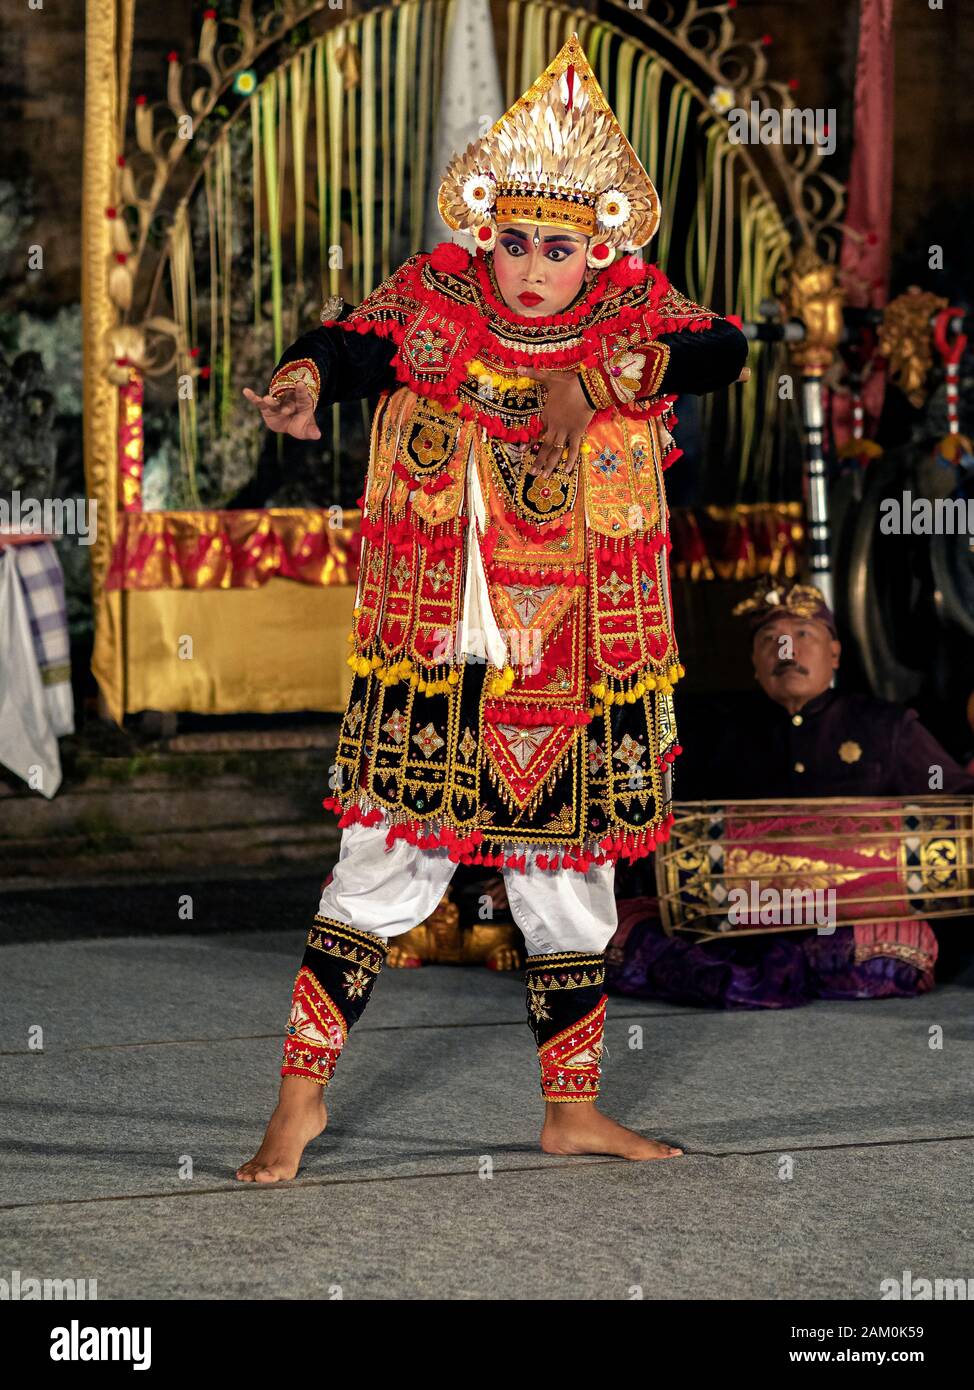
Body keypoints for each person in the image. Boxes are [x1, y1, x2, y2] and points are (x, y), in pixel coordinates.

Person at [236, 34, 748, 1181]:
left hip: (577, 651)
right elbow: (351, 342)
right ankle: (298, 1103)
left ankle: (570, 1110)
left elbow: (720, 346)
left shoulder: (629, 311)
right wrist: (306, 379)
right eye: (512, 240)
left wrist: (603, 378)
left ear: (598, 245)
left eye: (556, 248)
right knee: (379, 867)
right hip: (443, 648)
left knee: (568, 881)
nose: (527, 269)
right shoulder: (440, 294)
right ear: (486, 230)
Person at [610, 579, 974, 1007]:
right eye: (770, 640)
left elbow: (958, 801)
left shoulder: (886, 726)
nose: (787, 651)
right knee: (616, 934)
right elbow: (653, 822)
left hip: (849, 919)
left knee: (896, 942)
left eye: (803, 636)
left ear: (834, 653)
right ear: (753, 662)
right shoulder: (714, 734)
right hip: (739, 914)